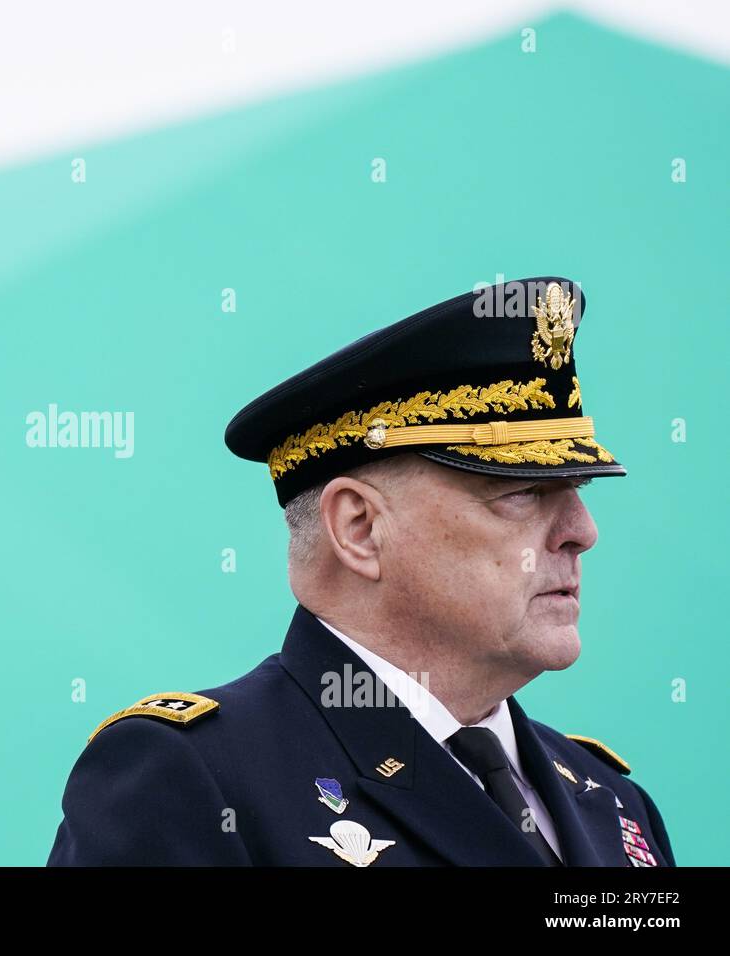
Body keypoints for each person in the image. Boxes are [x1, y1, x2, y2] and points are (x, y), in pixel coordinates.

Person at [46, 277, 675, 866]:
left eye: (576, 487)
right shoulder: (192, 780)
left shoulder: (614, 804)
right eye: (519, 492)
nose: (582, 532)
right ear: (359, 528)